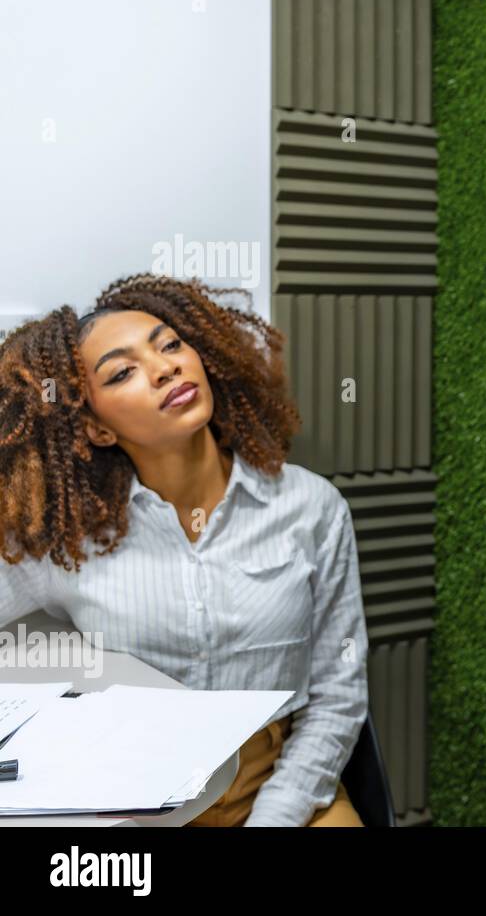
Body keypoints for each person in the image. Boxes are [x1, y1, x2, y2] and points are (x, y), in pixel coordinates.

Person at [0, 274, 369, 826]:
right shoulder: (69, 539)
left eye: (170, 344)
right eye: (123, 372)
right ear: (97, 429)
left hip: (285, 788)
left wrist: (277, 815)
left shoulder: (311, 507)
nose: (165, 367)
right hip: (136, 805)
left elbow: (338, 693)